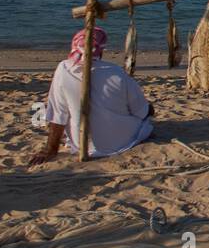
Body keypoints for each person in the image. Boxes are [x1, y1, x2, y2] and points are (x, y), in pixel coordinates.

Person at [29, 28, 154, 164]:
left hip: (80, 143)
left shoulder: (63, 69)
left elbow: (58, 114)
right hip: (120, 142)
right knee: (145, 117)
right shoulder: (117, 72)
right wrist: (149, 110)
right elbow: (140, 112)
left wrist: (50, 148)